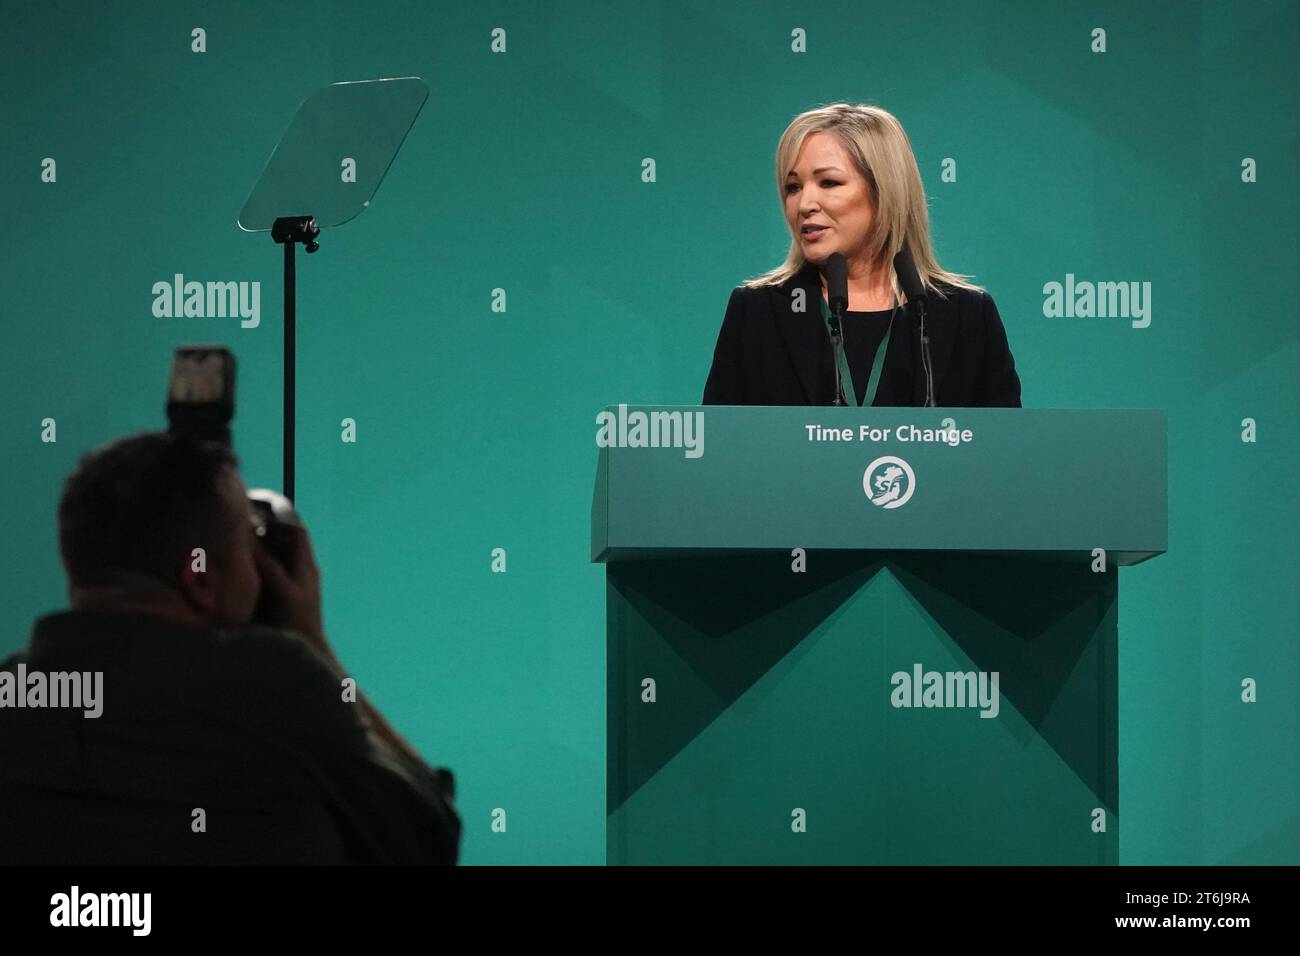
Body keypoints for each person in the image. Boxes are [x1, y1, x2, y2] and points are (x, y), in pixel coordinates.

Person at [0, 432, 460, 864]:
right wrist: (313, 643)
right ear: (199, 579)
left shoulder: (17, 691)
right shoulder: (270, 680)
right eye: (249, 544)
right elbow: (426, 838)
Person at [703, 103, 1022, 407]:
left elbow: (1003, 451)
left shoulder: (967, 315)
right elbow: (722, 447)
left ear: (884, 191)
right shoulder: (757, 311)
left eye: (828, 182)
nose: (804, 204)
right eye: (793, 187)